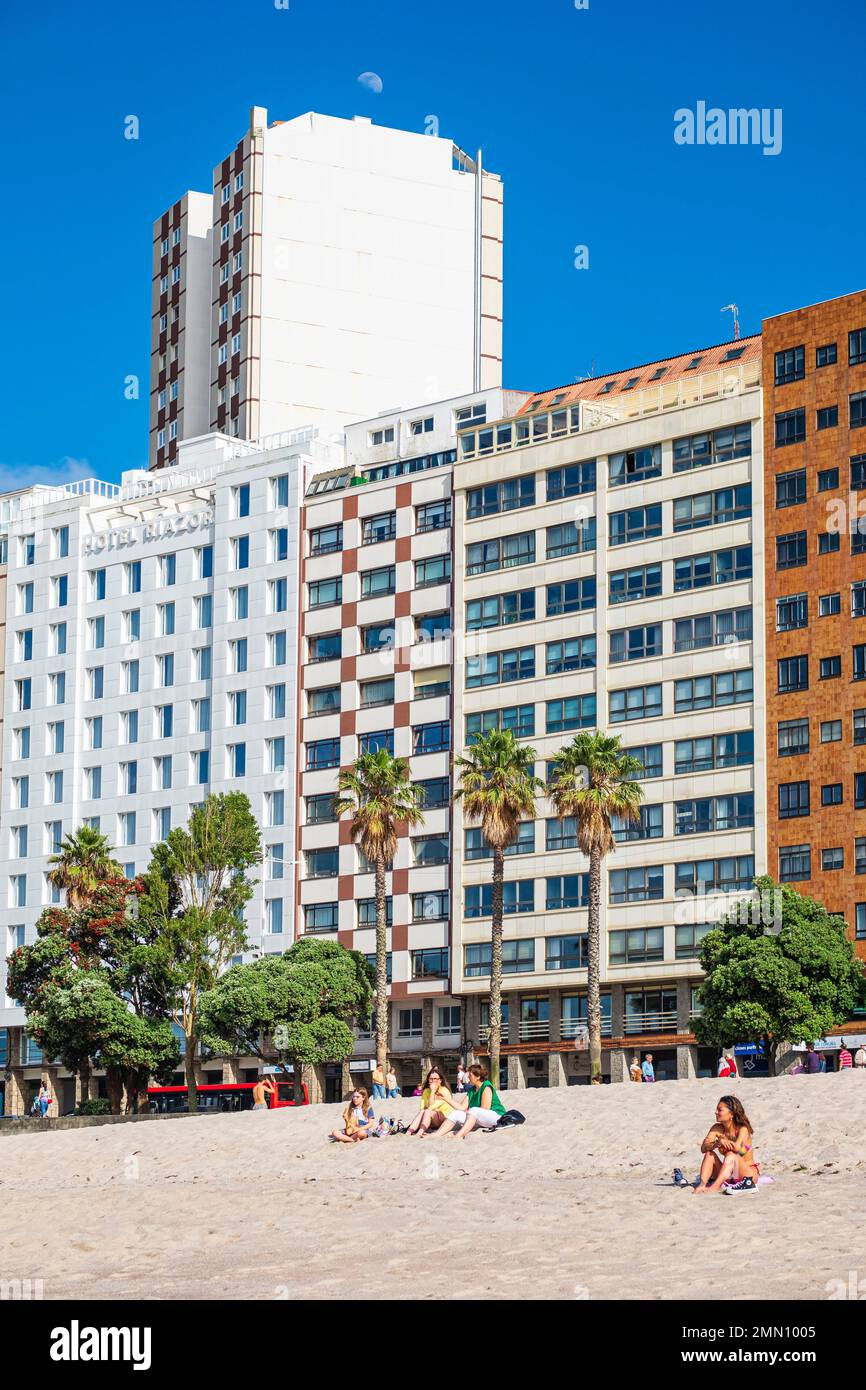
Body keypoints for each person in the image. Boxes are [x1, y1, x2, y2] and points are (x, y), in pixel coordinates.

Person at [692, 1095, 759, 1194]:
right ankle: (702, 1185)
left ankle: (715, 1187)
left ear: (731, 1114)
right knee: (709, 1154)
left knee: (731, 1155)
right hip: (729, 1174)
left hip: (746, 1175)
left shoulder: (743, 1129)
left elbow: (737, 1150)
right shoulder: (717, 1128)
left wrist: (724, 1140)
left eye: (720, 1110)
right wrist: (716, 1143)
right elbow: (703, 1148)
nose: (716, 1112)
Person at [437, 1063, 506, 1138]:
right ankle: (436, 1134)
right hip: (480, 1118)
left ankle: (459, 1135)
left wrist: (469, 1111)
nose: (468, 1077)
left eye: (470, 1075)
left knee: (473, 1110)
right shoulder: (472, 1090)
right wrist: (446, 1098)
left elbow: (485, 1108)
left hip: (497, 1117)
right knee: (455, 1113)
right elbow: (462, 1107)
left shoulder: (486, 1086)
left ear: (478, 1077)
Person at [406, 1068, 453, 1135]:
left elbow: (430, 1107)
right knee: (423, 1111)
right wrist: (431, 1109)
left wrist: (433, 1091)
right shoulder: (426, 1091)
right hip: (430, 1118)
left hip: (444, 1119)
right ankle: (408, 1132)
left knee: (428, 1111)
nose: (433, 1081)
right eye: (431, 1079)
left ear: (440, 1080)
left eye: (435, 1079)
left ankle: (419, 1132)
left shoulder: (444, 1091)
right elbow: (422, 1108)